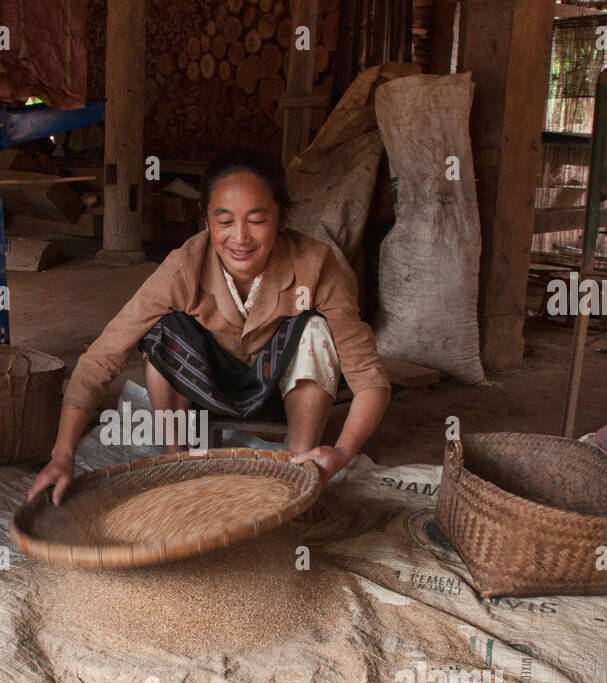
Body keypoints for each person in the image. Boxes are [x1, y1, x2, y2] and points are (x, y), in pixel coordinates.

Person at [27, 146, 391, 504]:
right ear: (206, 221)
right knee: (163, 330)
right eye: (224, 220)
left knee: (314, 331)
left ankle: (301, 466)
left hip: (280, 395)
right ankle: (176, 459)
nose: (240, 238)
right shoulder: (183, 266)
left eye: (257, 220)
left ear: (282, 219)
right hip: (208, 392)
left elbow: (368, 375)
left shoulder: (317, 265)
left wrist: (342, 452)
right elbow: (103, 356)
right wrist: (63, 456)